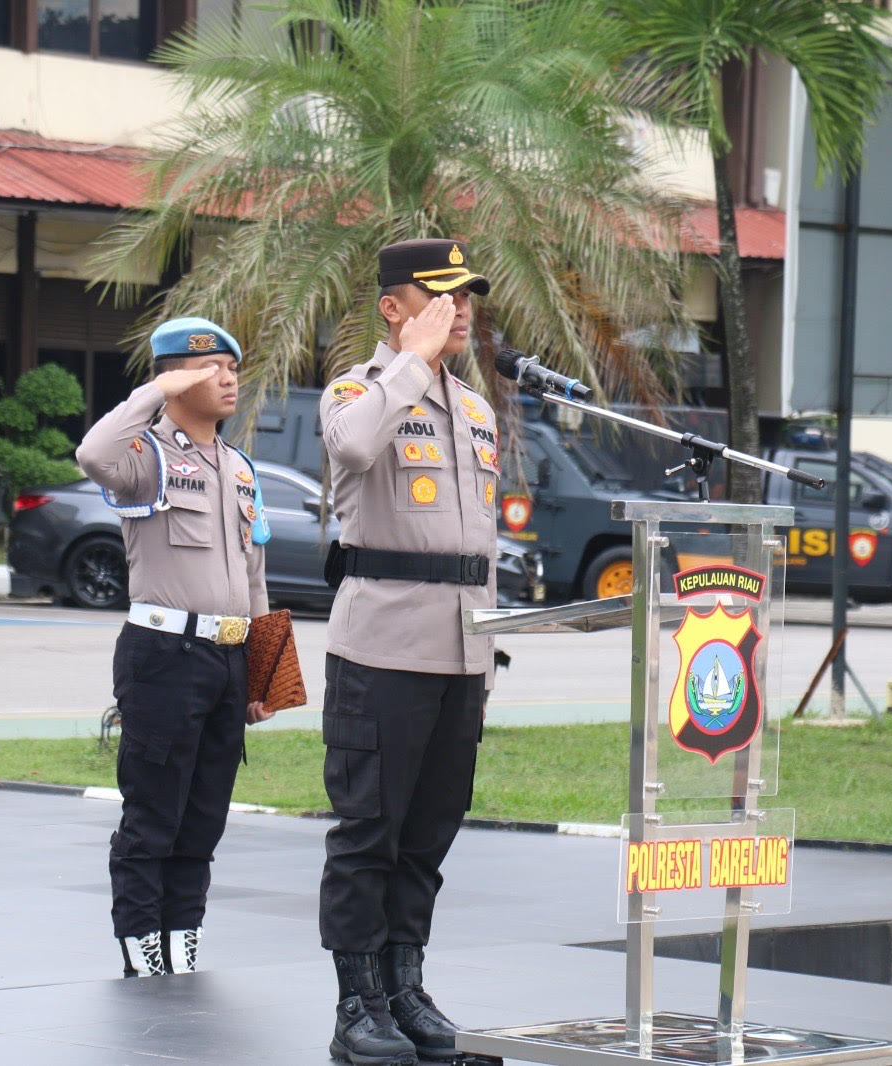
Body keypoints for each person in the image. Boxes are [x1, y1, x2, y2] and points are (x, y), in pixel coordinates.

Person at [317, 238, 499, 1066]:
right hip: (383, 650)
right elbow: (353, 447)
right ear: (394, 308)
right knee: (370, 833)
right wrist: (411, 364)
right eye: (441, 296)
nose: (459, 310)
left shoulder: (474, 408)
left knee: (429, 831)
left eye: (466, 298)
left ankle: (402, 985)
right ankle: (356, 1002)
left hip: (461, 653)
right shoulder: (358, 389)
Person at [76, 316, 274, 979]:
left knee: (204, 817)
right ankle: (142, 946)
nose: (227, 380)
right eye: (210, 369)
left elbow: (255, 578)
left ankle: (183, 936)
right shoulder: (148, 458)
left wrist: (266, 678)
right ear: (173, 376)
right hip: (163, 658)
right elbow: (94, 454)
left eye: (232, 369)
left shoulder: (239, 468)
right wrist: (157, 392)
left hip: (227, 657)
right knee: (154, 813)